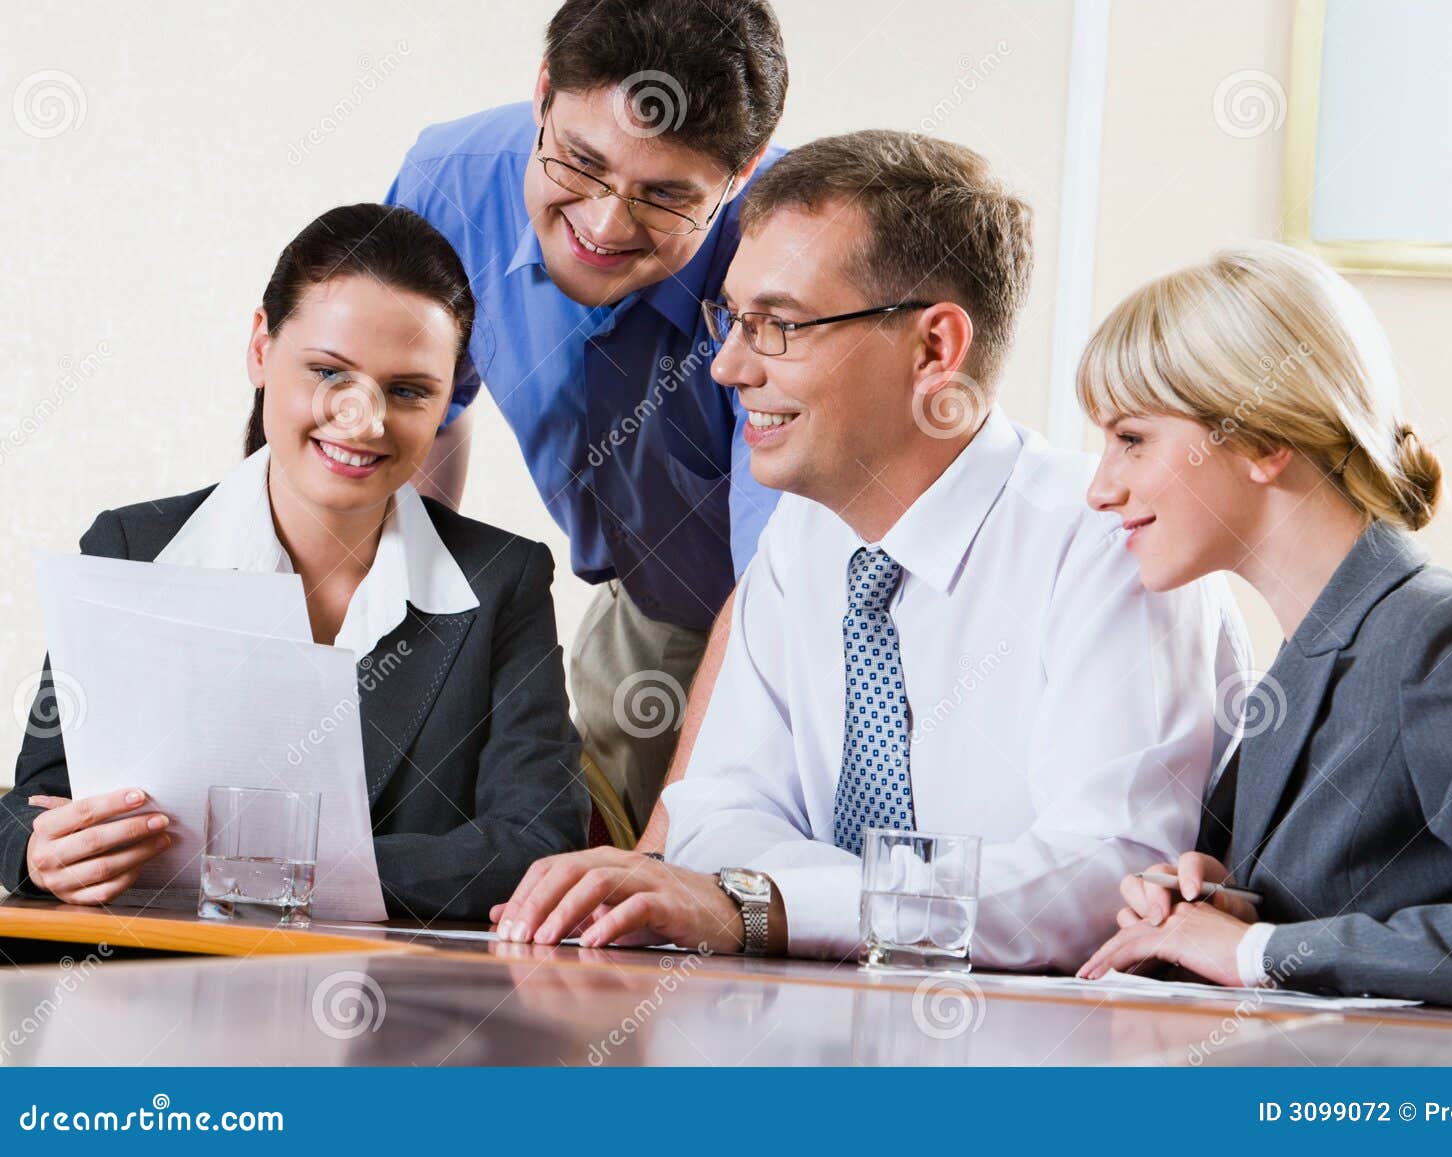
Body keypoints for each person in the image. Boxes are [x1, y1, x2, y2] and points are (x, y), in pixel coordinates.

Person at [486, 131, 1248, 970]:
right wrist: (852, 902)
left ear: (934, 350)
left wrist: (768, 901)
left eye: (777, 324)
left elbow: (1097, 881)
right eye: (732, 319)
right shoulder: (801, 537)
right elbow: (713, 817)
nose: (729, 366)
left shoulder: (1111, 540)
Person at [0, 204, 588, 921]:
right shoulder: (132, 550)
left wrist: (277, 873)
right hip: (153, 990)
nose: (363, 420)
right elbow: (31, 801)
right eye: (328, 371)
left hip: (403, 1010)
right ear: (259, 347)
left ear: (446, 400)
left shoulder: (504, 578)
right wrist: (37, 849)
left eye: (409, 390)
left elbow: (534, 844)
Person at [1074, 242, 1452, 1008]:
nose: (1100, 487)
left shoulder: (1447, 641)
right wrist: (1233, 904)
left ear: (1263, 441)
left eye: (1131, 439)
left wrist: (1262, 948)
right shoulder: (1305, 659)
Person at [385, 0, 789, 842]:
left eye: (666, 195)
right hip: (638, 596)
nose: (604, 226)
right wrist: (417, 655)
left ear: (741, 172)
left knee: (709, 875)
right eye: (581, 161)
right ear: (543, 95)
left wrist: (659, 856)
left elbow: (776, 593)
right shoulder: (450, 181)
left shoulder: (789, 252)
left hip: (792, 620)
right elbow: (415, 415)